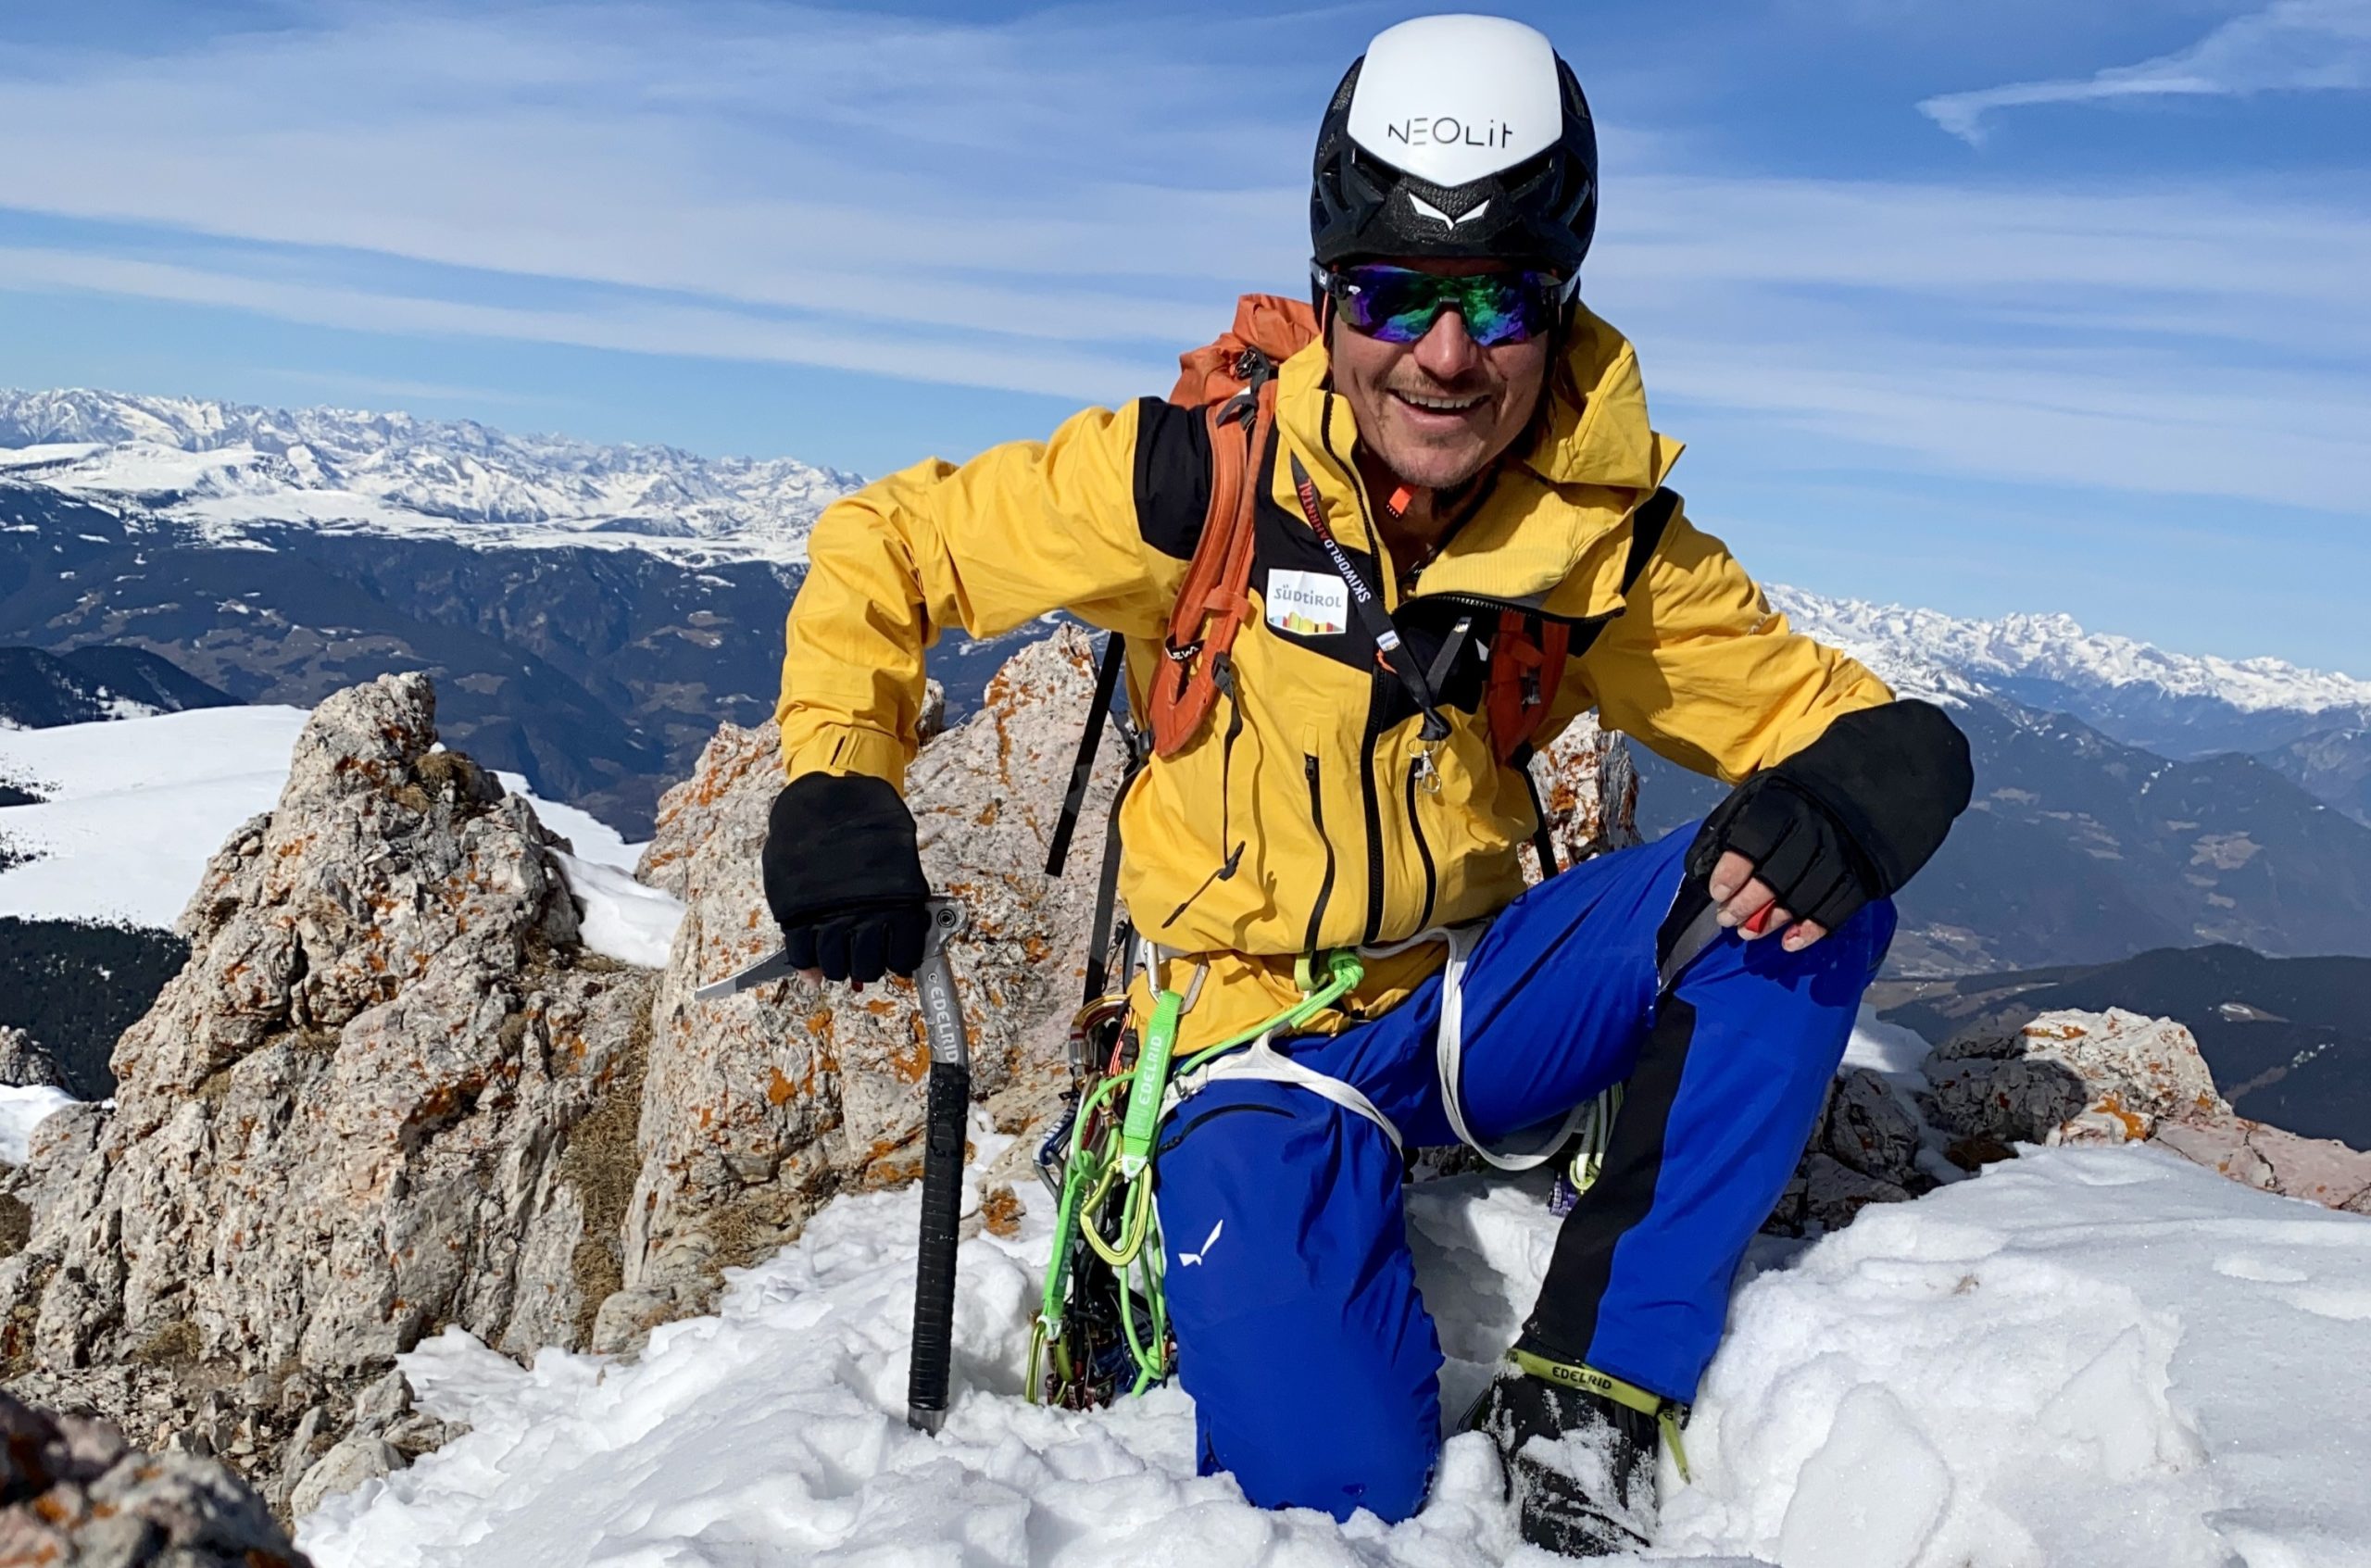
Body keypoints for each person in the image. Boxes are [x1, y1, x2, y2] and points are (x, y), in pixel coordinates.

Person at [761, 12, 1971, 1557]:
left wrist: (1886, 780)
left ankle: (1595, 1379)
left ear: (1564, 297)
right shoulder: (1196, 480)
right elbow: (893, 543)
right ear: (1334, 289)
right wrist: (835, 776)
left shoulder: (1599, 546)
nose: (1449, 355)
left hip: (1468, 996)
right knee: (1339, 1494)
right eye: (1401, 294)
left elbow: (1840, 730)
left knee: (1810, 873)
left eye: (1502, 297)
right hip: (1247, 1042)